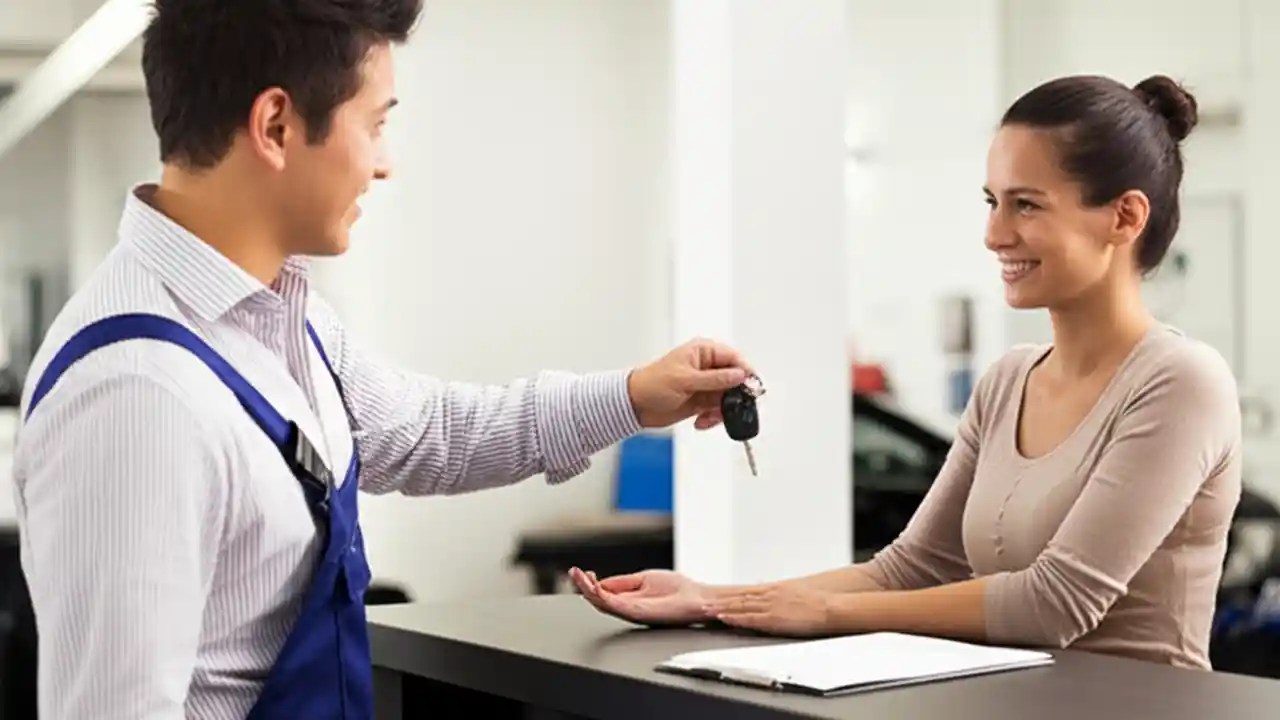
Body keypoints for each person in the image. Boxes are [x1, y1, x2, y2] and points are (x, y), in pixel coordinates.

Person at [10, 2, 755, 718]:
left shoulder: (284, 326)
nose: (384, 165)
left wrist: (633, 397)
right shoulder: (137, 393)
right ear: (275, 125)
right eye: (375, 125)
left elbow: (435, 432)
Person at [573, 73, 1244, 671]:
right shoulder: (1009, 379)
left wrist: (823, 615)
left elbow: (1055, 603)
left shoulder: (1182, 383)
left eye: (1027, 205)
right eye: (992, 202)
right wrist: (709, 598)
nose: (994, 234)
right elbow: (912, 569)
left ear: (1124, 216)